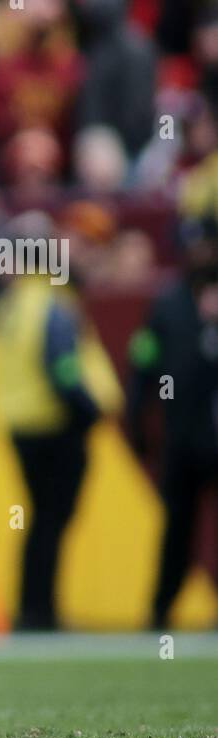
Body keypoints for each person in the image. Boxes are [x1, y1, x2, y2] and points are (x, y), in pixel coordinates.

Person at [0, 265, 122, 630]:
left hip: (19, 423)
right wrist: (89, 411)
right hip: (54, 424)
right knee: (53, 520)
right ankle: (41, 610)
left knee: (40, 520)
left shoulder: (11, 304)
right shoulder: (54, 306)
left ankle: (32, 607)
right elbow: (63, 368)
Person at [127, 222, 218, 628]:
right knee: (176, 528)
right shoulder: (168, 305)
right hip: (182, 436)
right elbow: (145, 362)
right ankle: (161, 610)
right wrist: (137, 421)